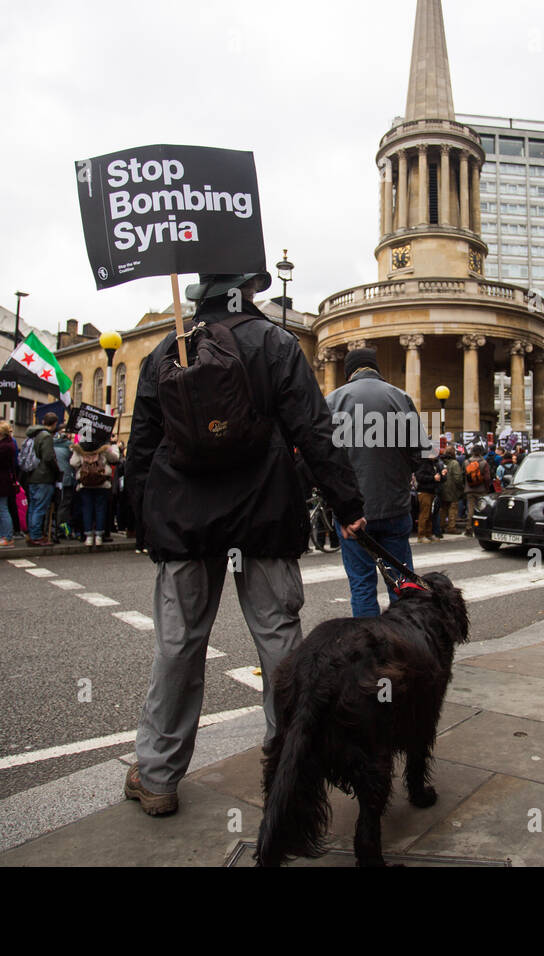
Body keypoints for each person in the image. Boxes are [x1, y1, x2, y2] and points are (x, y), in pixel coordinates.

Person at [122, 271, 364, 816]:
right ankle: (293, 770)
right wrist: (346, 503)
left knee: (178, 645)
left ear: (198, 293)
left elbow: (142, 445)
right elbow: (314, 430)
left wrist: (144, 519)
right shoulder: (276, 343)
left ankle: (158, 777)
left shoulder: (168, 347)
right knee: (279, 644)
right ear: (250, 290)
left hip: (184, 521)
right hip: (264, 515)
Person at [325, 346, 425, 616]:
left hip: (353, 513)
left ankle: (370, 652)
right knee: (402, 585)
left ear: (349, 373)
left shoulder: (332, 401)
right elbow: (419, 454)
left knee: (362, 586)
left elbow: (322, 459)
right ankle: (406, 649)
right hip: (395, 507)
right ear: (375, 369)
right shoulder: (401, 397)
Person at [71, 437, 120, 549]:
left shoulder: (80, 448)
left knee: (87, 508)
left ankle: (88, 536)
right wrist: (112, 447)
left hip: (85, 482)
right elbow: (114, 459)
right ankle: (99, 536)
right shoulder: (103, 448)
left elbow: (73, 463)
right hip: (101, 481)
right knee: (100, 508)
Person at [23, 413, 60, 545]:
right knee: (40, 507)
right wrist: (57, 471)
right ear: (55, 423)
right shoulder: (46, 437)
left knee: (33, 506)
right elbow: (48, 457)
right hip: (43, 476)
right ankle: (37, 536)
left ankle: (32, 533)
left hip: (32, 475)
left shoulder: (34, 434)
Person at [462, 442, 491, 537]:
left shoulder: (466, 462)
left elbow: (463, 475)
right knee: (481, 509)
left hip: (469, 489)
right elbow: (487, 478)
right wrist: (487, 488)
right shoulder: (484, 463)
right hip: (481, 490)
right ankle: (481, 528)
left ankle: (468, 528)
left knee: (470, 510)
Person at [437, 443, 463, 535]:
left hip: (442, 488)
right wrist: (461, 488)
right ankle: (451, 527)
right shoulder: (454, 463)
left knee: (443, 508)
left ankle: (441, 525)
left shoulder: (440, 462)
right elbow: (458, 478)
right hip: (452, 489)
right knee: (453, 509)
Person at [414, 453, 439, 543]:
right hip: (424, 491)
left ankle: (428, 533)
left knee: (429, 514)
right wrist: (433, 478)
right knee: (424, 514)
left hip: (431, 491)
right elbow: (420, 477)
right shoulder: (423, 463)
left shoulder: (432, 464)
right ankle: (421, 535)